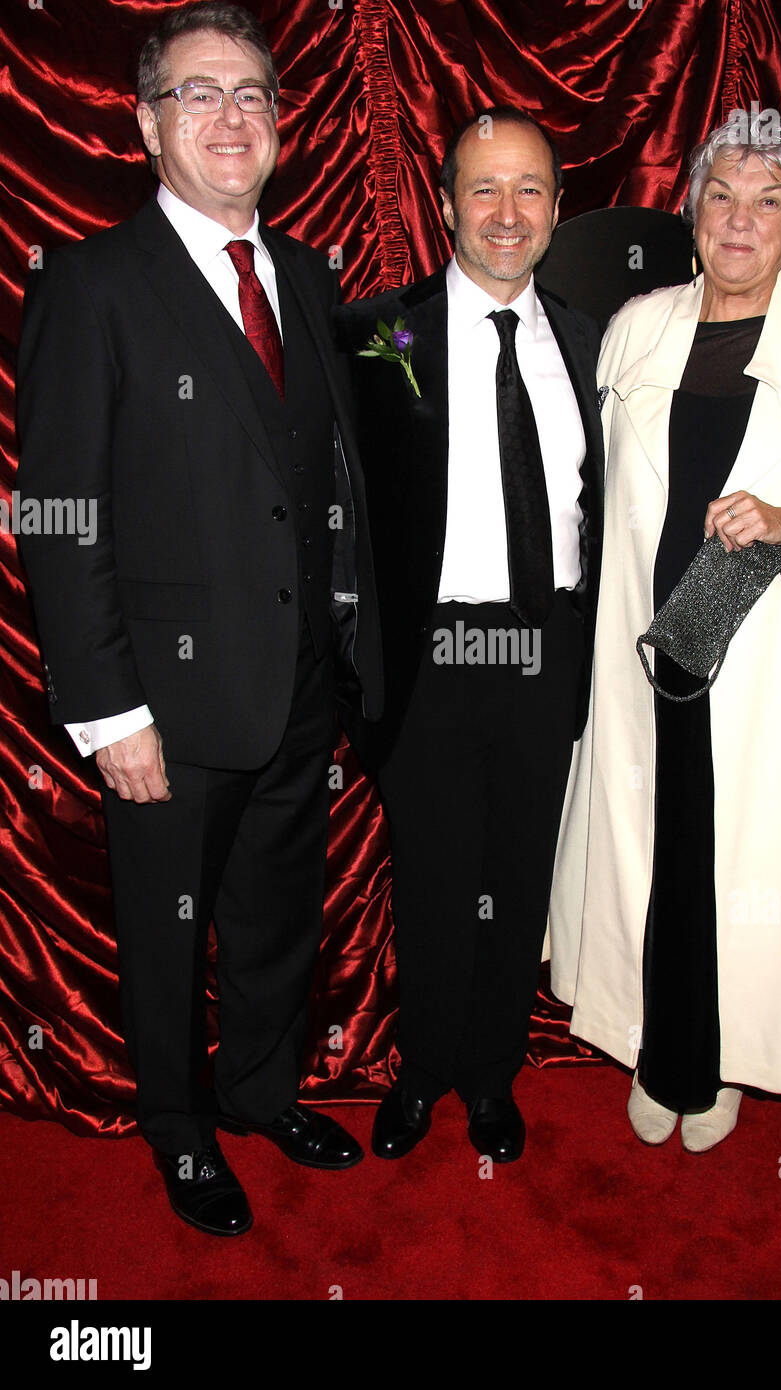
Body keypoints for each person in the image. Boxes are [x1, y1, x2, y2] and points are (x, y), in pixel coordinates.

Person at [16, 2, 382, 1235]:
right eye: (199, 93)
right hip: (162, 707)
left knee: (280, 910)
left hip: (299, 692)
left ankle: (261, 1090)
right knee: (168, 935)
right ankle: (177, 1131)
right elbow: (61, 510)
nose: (233, 116)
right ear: (145, 123)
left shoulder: (317, 275)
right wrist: (107, 707)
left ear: (281, 126)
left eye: (254, 95)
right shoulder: (91, 280)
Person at [549, 114, 781, 1152]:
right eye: (722, 195)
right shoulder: (639, 326)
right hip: (650, 654)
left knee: (736, 863)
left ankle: (713, 1063)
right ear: (691, 210)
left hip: (761, 665)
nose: (740, 220)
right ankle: (657, 1047)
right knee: (657, 851)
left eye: (769, 201)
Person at [335, 108, 604, 1164]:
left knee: (518, 875)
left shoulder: (591, 338)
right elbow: (343, 504)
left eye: (529, 189)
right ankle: (420, 1071)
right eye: (484, 189)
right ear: (445, 204)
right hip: (431, 662)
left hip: (547, 657)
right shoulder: (383, 333)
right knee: (434, 880)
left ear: (556, 207)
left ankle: (490, 1074)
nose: (507, 212)